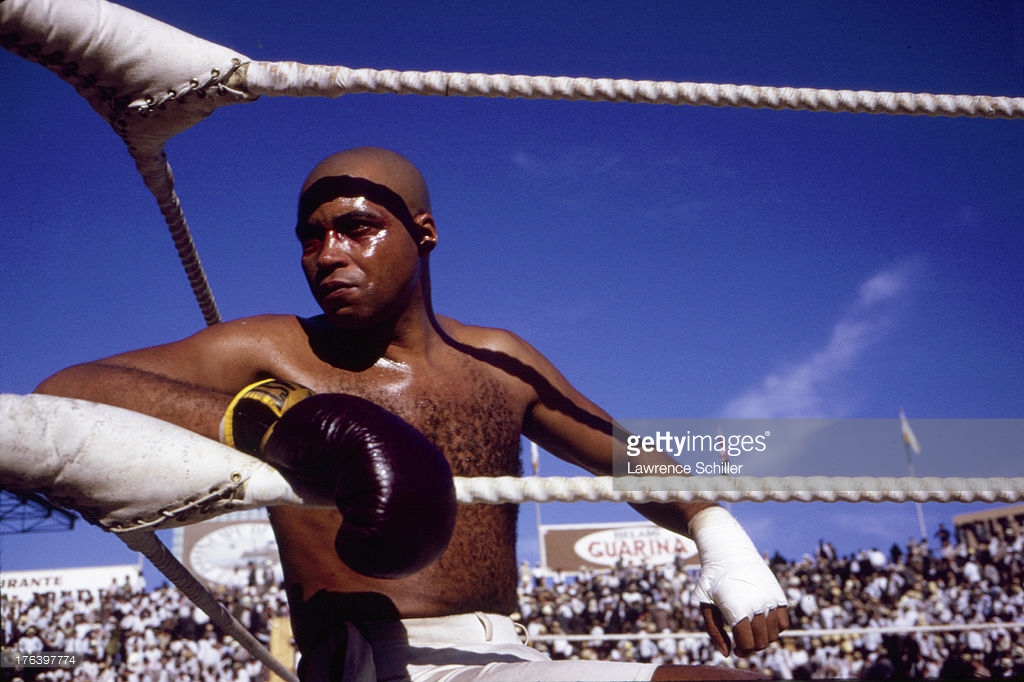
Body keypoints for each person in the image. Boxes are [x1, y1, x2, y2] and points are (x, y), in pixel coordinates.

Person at [37, 146, 789, 681]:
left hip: (509, 655)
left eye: (357, 227)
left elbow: (622, 453)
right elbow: (67, 391)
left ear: (423, 233)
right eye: (311, 237)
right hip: (369, 661)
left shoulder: (497, 360)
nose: (328, 253)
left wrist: (719, 536)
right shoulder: (272, 349)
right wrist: (281, 420)